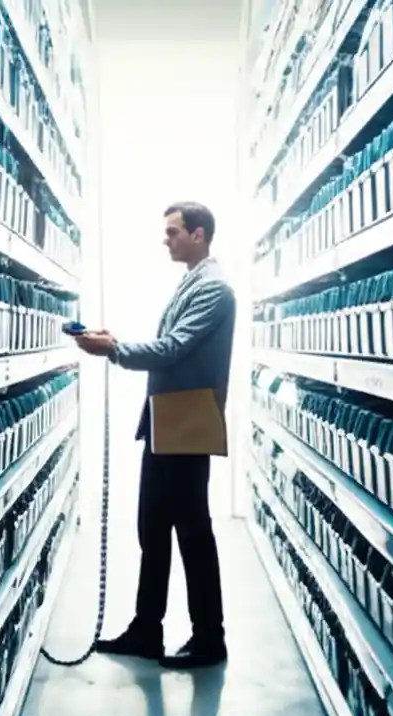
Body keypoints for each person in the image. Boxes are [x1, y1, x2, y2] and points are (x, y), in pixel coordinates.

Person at [73, 201, 235, 669]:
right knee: (153, 528)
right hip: (166, 421)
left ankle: (209, 638)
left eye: (173, 232)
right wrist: (113, 341)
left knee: (192, 534)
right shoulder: (193, 280)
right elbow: (173, 346)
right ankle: (148, 628)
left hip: (185, 424)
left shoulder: (215, 289)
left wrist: (115, 349)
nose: (166, 240)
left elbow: (174, 347)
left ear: (199, 234)